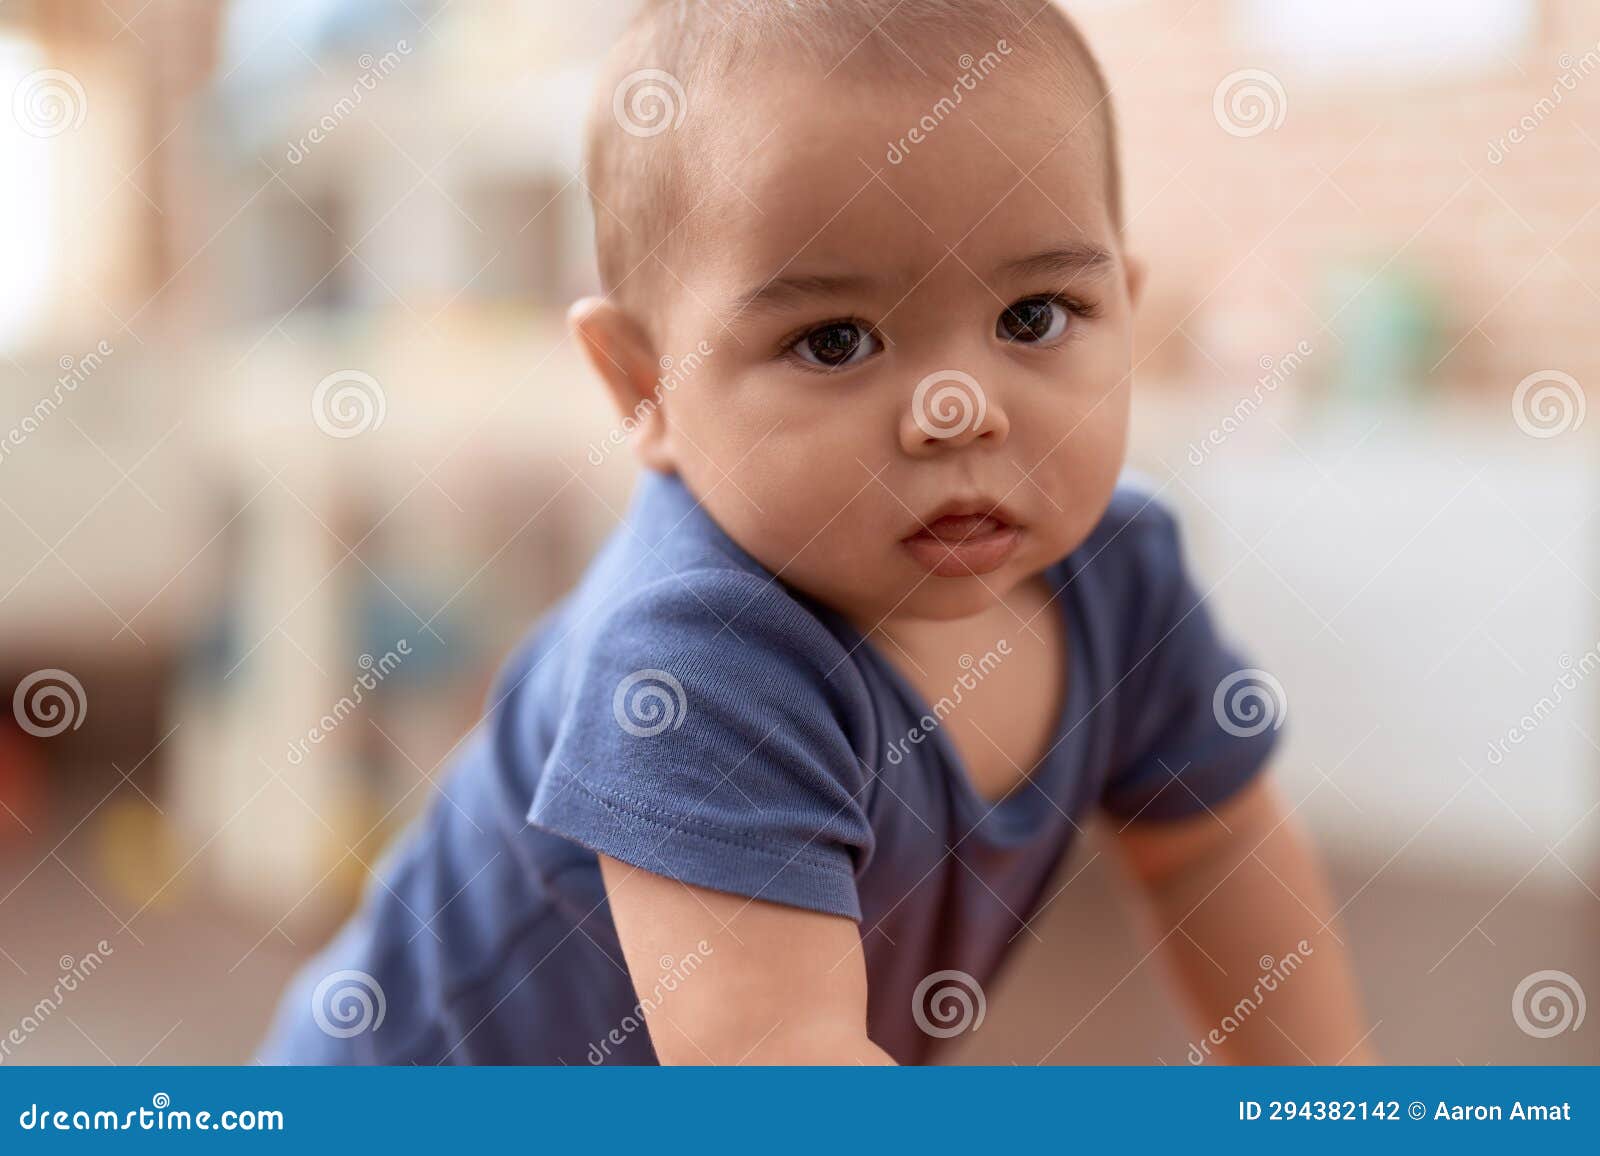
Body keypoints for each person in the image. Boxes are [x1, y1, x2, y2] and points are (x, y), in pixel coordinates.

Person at [260, 0, 1373, 1065]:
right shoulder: (695, 665)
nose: (958, 409)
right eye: (836, 340)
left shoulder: (1122, 578)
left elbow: (1209, 849)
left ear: (1123, 307)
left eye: (1033, 317)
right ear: (645, 385)